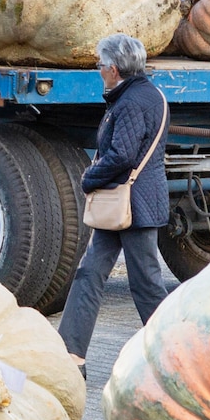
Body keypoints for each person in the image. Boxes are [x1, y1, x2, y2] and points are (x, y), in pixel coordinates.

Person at [57, 33, 176, 365]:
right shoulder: (148, 95)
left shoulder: (131, 102)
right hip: (124, 204)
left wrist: (88, 179)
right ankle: (70, 355)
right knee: (89, 273)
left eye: (99, 65)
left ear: (112, 69)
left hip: (133, 205)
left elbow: (121, 155)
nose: (98, 70)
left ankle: (176, 358)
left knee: (146, 284)